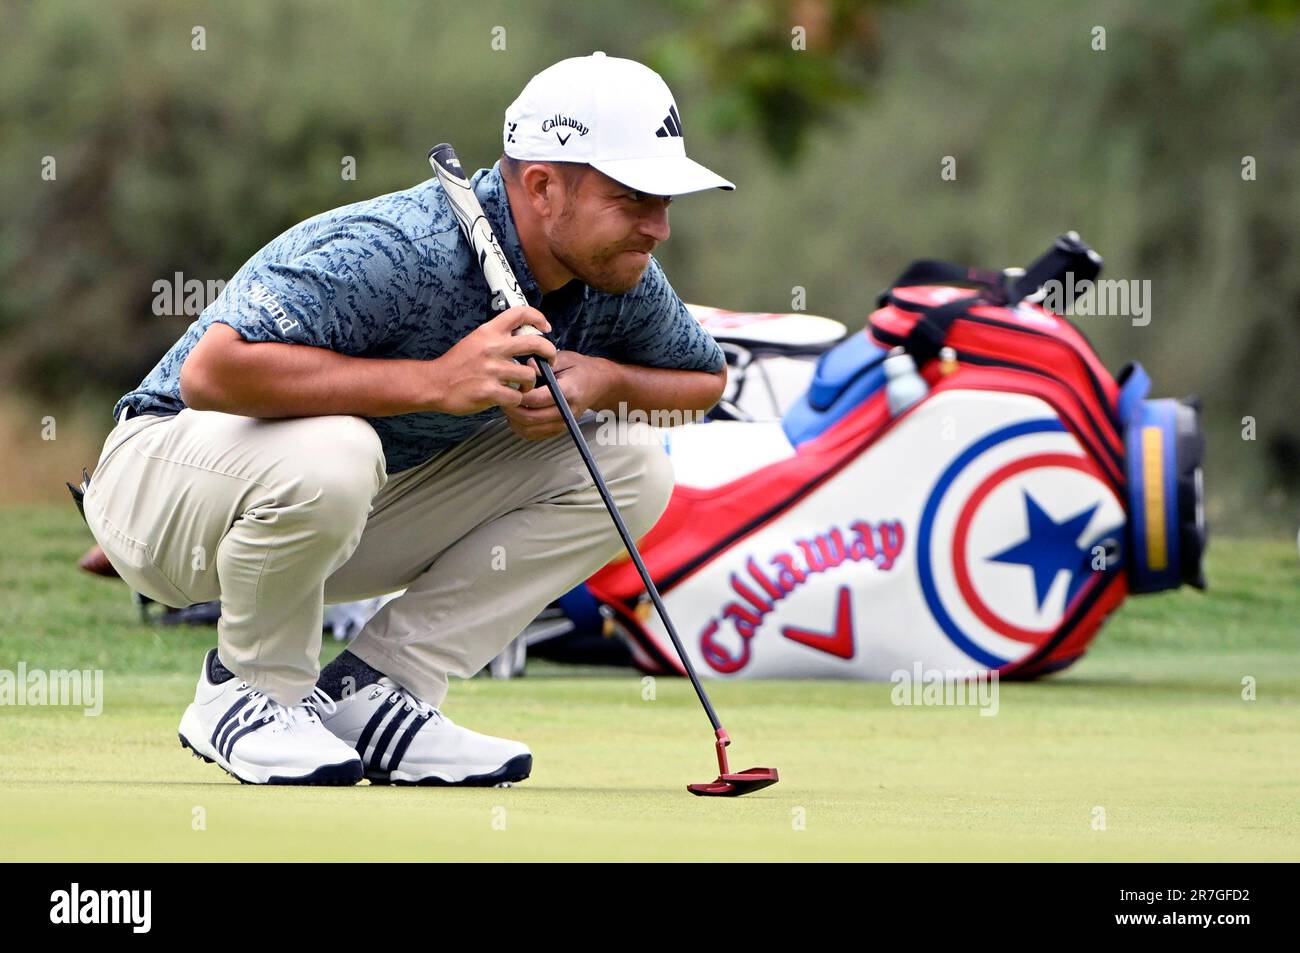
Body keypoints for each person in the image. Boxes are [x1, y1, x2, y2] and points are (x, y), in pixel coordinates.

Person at [80, 52, 732, 786]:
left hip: (330, 515)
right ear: (546, 188)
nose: (659, 227)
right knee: (339, 448)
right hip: (158, 486)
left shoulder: (616, 274)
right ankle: (250, 688)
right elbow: (214, 371)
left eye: (666, 200)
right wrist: (433, 382)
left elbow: (705, 380)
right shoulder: (401, 249)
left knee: (631, 460)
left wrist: (603, 380)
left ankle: (379, 691)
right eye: (635, 197)